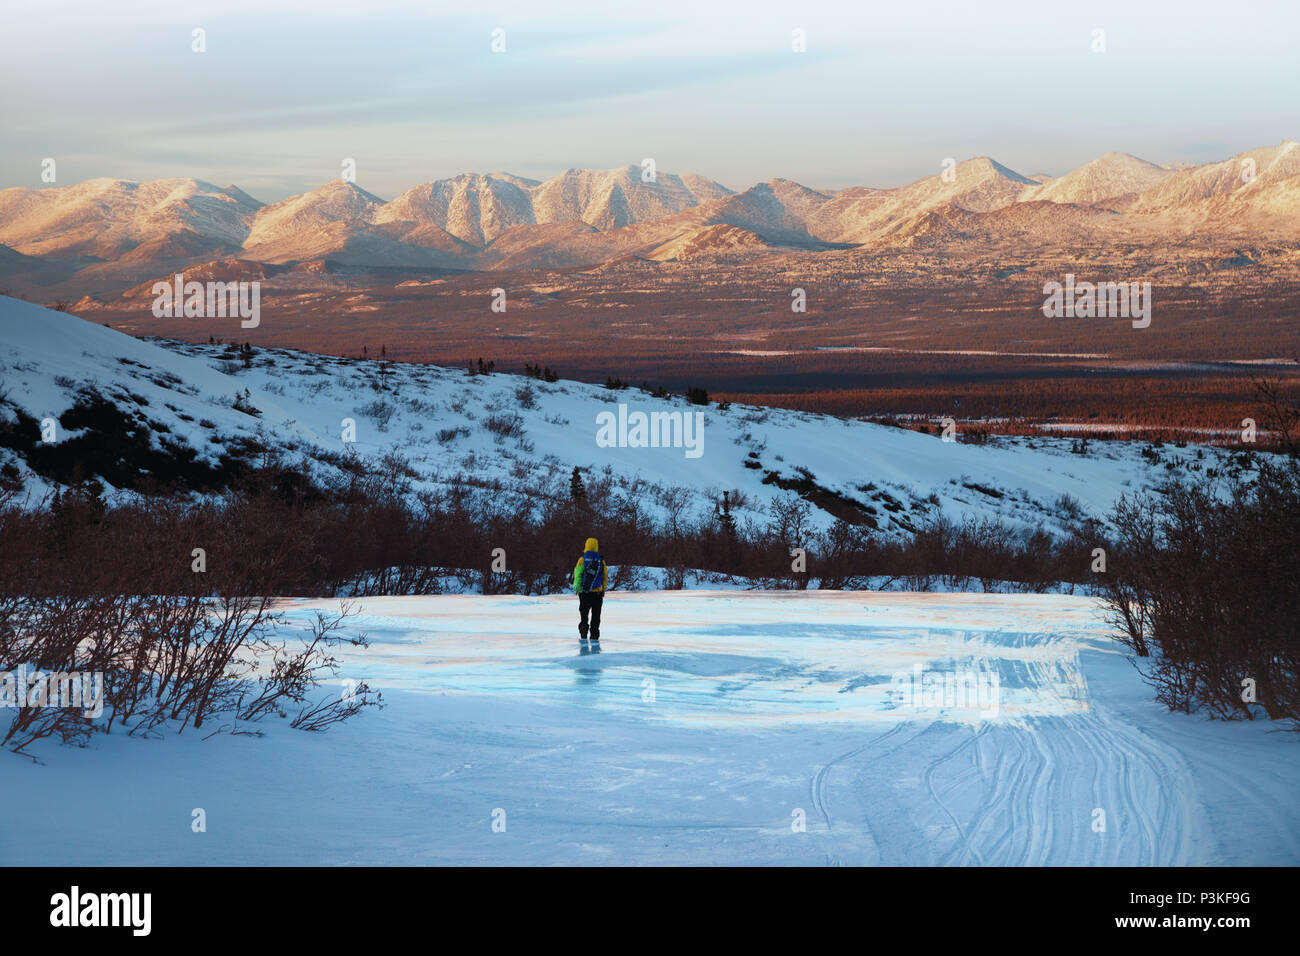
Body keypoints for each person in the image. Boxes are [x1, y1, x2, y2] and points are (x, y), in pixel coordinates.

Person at [572, 536, 607, 641]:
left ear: (586, 546)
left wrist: (578, 590)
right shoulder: (601, 561)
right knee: (596, 616)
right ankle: (594, 635)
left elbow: (577, 575)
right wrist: (603, 589)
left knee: (584, 614)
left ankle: (583, 630)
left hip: (584, 593)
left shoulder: (582, 560)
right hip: (597, 593)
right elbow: (605, 577)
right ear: (597, 547)